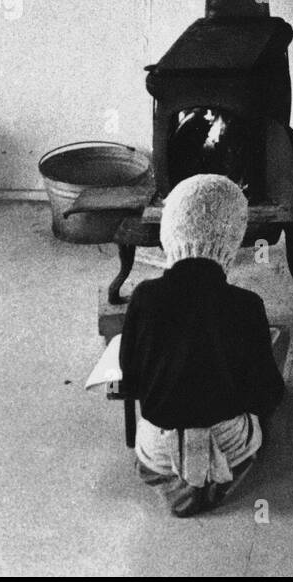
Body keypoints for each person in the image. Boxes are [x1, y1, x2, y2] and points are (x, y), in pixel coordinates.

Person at [119, 174, 283, 516]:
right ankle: (213, 477)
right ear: (233, 242)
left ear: (169, 233)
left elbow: (131, 381)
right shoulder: (246, 304)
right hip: (228, 444)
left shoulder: (144, 297)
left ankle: (174, 479)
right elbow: (267, 393)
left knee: (156, 444)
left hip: (157, 452)